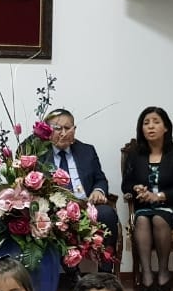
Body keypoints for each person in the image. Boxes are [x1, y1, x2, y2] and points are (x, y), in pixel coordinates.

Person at [121, 106, 173, 291]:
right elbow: (126, 184)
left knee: (158, 218)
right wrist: (136, 189)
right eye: (146, 123)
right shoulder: (135, 154)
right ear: (141, 129)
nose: (151, 127)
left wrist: (160, 196)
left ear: (166, 128)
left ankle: (163, 270)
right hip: (145, 207)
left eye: (156, 122)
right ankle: (146, 272)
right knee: (141, 219)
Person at [45, 108, 119, 268]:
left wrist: (98, 191)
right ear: (48, 131)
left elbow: (100, 179)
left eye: (68, 128)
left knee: (107, 214)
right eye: (58, 128)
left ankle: (106, 271)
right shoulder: (40, 154)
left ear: (74, 129)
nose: (63, 133)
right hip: (55, 208)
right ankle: (71, 273)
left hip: (86, 205)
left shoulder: (87, 151)